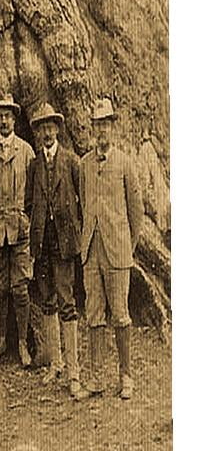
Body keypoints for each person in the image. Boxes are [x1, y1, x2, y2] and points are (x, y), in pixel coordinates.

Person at [79, 97, 144, 399]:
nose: (102, 129)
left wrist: (126, 246)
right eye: (97, 124)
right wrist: (88, 243)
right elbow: (83, 205)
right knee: (93, 315)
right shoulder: (84, 164)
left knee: (120, 315)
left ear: (113, 127)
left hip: (118, 252)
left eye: (106, 123)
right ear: (92, 128)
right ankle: (95, 378)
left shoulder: (125, 163)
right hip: (92, 250)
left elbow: (136, 212)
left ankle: (126, 376)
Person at [28, 101, 84, 397]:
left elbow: (83, 204)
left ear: (58, 129)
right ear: (37, 132)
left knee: (67, 301)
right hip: (43, 242)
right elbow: (29, 203)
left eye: (51, 126)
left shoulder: (71, 161)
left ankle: (74, 372)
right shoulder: (34, 165)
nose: (47, 132)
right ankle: (56, 363)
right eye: (42, 127)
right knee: (47, 301)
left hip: (64, 242)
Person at [0, 94, 36, 366]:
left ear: (14, 119)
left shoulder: (26, 152)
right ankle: (1, 339)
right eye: (0, 116)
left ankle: (23, 342)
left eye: (8, 116)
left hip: (20, 230)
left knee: (20, 288)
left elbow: (35, 191)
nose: (3, 120)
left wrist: (26, 219)